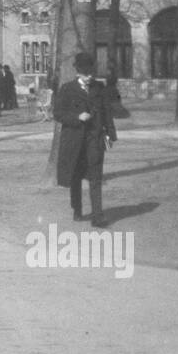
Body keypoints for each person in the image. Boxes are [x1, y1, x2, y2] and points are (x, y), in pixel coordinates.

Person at [53, 51, 117, 227]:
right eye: (86, 74)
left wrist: (111, 134)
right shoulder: (67, 89)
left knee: (96, 176)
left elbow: (107, 112)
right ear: (78, 72)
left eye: (91, 73)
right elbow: (58, 113)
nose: (89, 77)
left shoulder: (99, 89)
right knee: (75, 176)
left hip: (94, 138)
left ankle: (98, 216)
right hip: (74, 140)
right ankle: (77, 208)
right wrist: (76, 117)